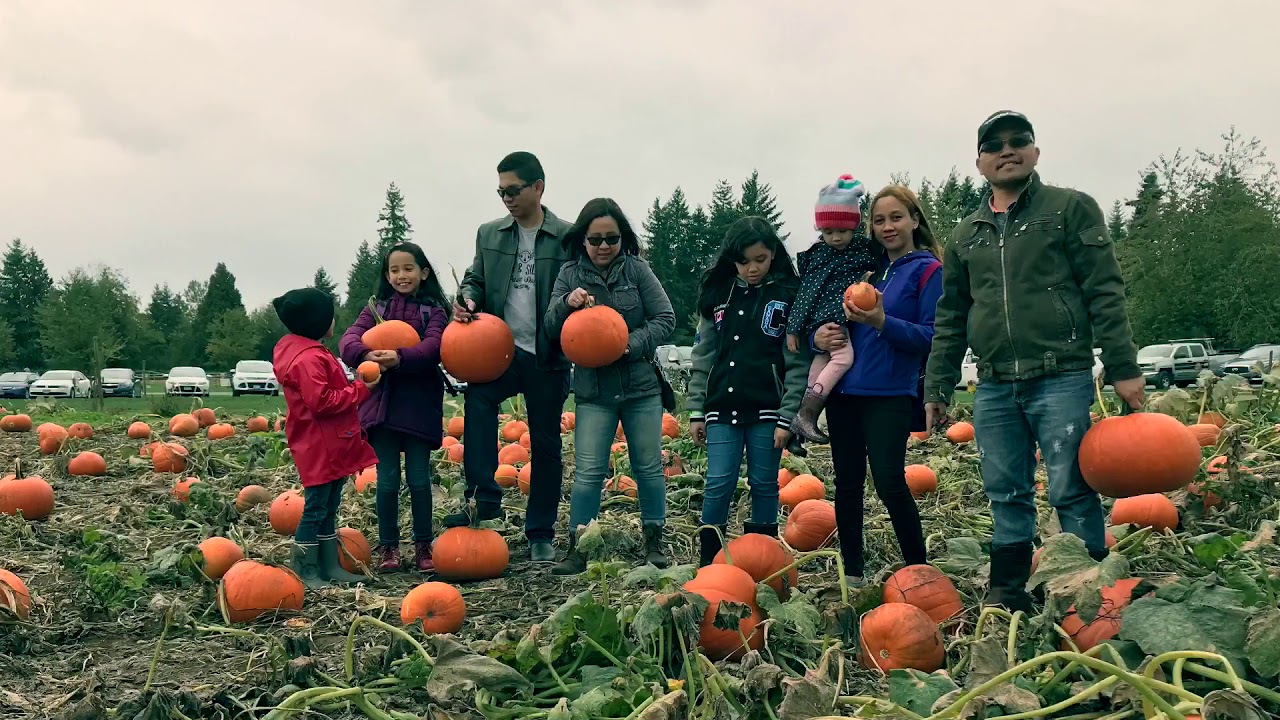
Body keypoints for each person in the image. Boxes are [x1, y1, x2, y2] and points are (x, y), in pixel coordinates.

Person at [922, 110, 1146, 613]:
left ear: (1035, 152)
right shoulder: (965, 236)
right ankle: (1009, 587)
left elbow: (1104, 291)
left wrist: (1124, 365)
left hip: (1061, 374)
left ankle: (1087, 583)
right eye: (994, 145)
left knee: (1070, 485)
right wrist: (937, 387)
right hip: (996, 383)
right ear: (979, 162)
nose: (1007, 150)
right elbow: (951, 316)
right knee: (1004, 488)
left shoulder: (1069, 210)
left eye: (1018, 141)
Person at [811, 186, 942, 587]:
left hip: (891, 394)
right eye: (879, 220)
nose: (887, 227)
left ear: (914, 220)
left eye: (896, 217)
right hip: (846, 394)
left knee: (888, 481)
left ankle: (917, 573)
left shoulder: (929, 271)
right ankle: (852, 573)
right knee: (847, 484)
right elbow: (834, 319)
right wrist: (819, 336)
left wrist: (882, 322)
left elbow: (932, 336)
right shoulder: (866, 269)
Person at [445, 152, 574, 562]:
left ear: (538, 187)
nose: (507, 199)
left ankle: (540, 533)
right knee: (478, 403)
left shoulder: (567, 237)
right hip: (499, 351)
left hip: (547, 355)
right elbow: (476, 279)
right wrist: (467, 298)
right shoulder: (490, 234)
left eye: (514, 190)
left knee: (546, 443)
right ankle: (484, 498)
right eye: (501, 192)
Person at [544, 198, 677, 575]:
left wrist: (629, 344)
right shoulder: (569, 276)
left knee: (648, 467)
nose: (603, 246)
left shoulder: (637, 271)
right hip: (593, 392)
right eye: (596, 239)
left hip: (640, 387)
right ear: (582, 239)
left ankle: (654, 539)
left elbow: (665, 317)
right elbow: (551, 329)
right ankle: (579, 545)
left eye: (612, 239)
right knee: (588, 471)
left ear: (623, 238)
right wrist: (567, 305)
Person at [687, 217, 808, 565]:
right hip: (722, 407)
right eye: (744, 262)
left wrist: (788, 418)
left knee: (764, 483)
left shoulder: (787, 295)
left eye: (760, 259)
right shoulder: (718, 295)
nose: (752, 268)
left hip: (769, 410)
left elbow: (796, 363)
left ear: (773, 255)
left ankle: (763, 560)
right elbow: (703, 355)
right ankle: (709, 562)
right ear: (732, 259)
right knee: (718, 482)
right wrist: (696, 408)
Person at [339, 241, 450, 573]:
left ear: (423, 272)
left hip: (417, 406)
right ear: (387, 275)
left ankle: (422, 545)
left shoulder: (434, 312)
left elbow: (434, 347)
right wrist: (364, 354)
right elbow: (348, 339)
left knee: (418, 480)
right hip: (381, 408)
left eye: (408, 268)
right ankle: (389, 547)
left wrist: (401, 357)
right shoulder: (376, 309)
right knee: (386, 481)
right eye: (395, 270)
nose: (401, 275)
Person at [272, 287, 379, 589]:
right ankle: (305, 568)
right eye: (330, 315)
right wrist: (361, 389)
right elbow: (321, 401)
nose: (334, 320)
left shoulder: (312, 354)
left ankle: (329, 564)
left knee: (330, 505)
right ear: (318, 322)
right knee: (316, 506)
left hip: (331, 442)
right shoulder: (308, 359)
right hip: (319, 445)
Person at [787, 175, 879, 448]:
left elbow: (878, 259)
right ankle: (808, 412)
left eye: (842, 230)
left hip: (844, 310)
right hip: (828, 316)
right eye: (828, 232)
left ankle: (799, 428)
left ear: (855, 227)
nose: (836, 238)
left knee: (820, 363)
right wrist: (794, 328)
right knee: (843, 357)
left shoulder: (862, 248)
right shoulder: (820, 257)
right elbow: (805, 294)